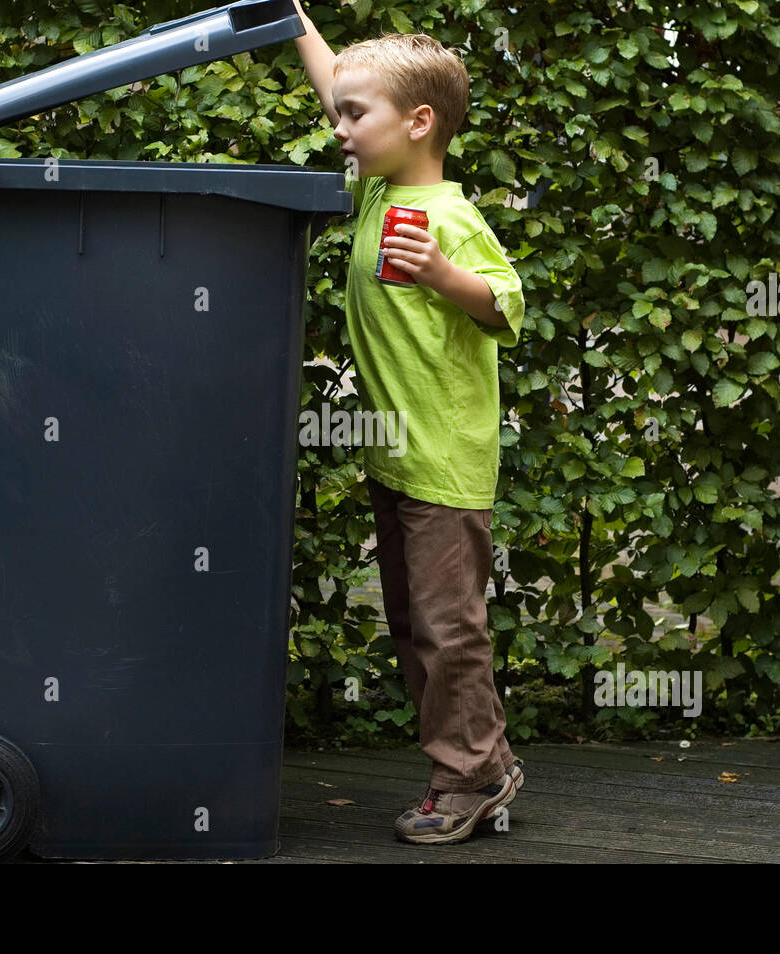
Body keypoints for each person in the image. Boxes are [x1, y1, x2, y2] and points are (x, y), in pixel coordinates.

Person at [291, 2, 528, 845]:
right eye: (340, 113)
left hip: (445, 464)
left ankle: (466, 780)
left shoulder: (447, 219)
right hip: (398, 461)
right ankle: (486, 762)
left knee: (448, 626)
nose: (339, 127)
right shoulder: (377, 189)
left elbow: (508, 303)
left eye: (355, 117)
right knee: (416, 623)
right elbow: (337, 81)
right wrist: (293, 17)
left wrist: (441, 275)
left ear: (418, 122)